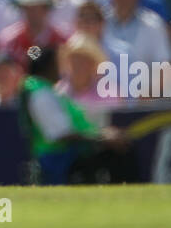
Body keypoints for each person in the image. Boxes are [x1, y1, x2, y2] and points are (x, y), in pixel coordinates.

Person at [19, 45, 131, 185]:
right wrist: (102, 137)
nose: (62, 70)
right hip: (59, 158)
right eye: (58, 63)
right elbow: (62, 134)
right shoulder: (41, 94)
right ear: (48, 66)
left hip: (68, 152)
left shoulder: (46, 90)